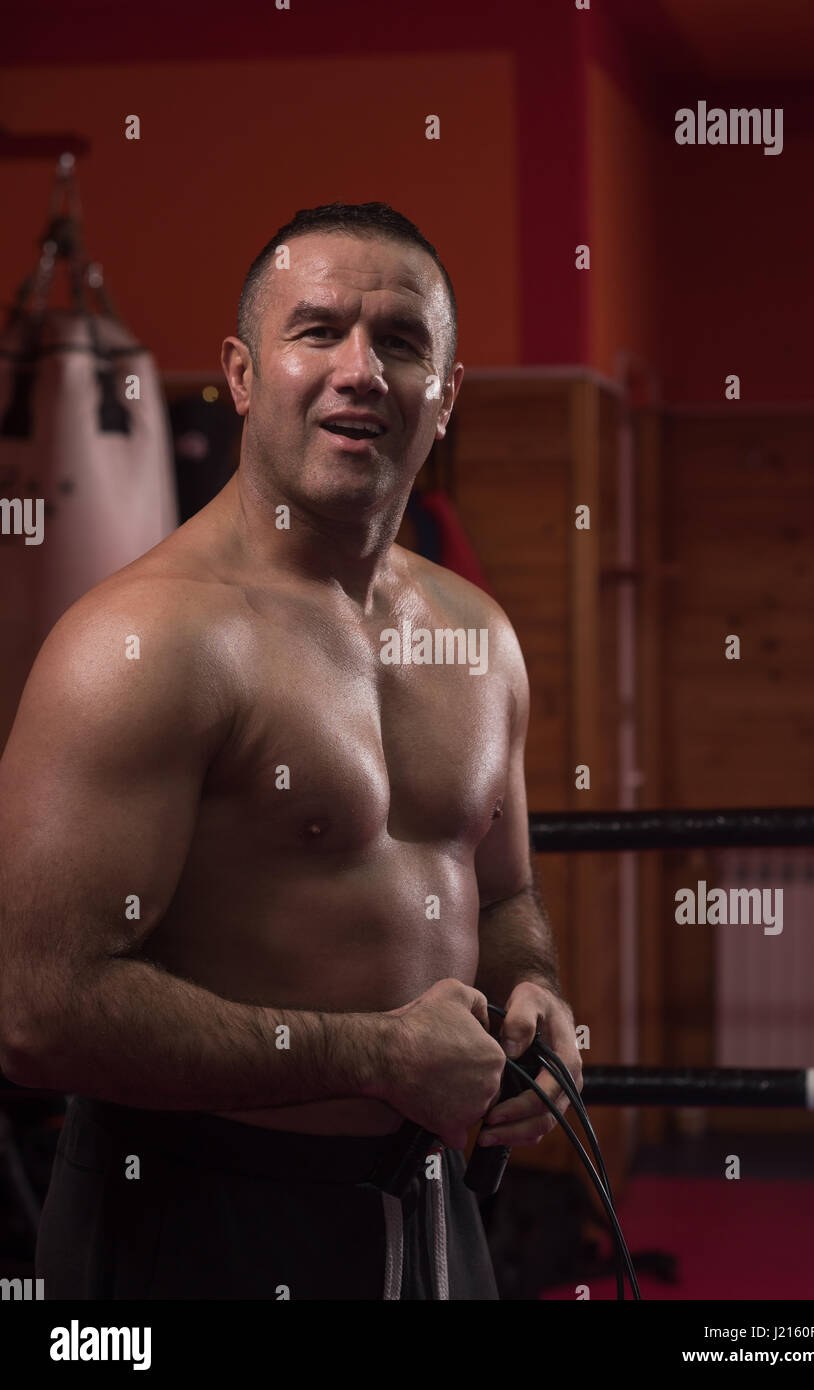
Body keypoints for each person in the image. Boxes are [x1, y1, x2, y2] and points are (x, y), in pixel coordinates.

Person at [0, 202, 582, 1300]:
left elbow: (501, 896)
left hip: (430, 1207)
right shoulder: (143, 645)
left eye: (402, 342)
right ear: (241, 372)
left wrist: (535, 991)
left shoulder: (477, 637)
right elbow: (36, 1009)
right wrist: (375, 1056)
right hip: (192, 1214)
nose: (360, 369)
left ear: (445, 396)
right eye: (317, 330)